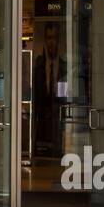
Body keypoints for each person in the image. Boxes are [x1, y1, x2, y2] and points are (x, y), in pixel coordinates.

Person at [33, 20, 67, 156]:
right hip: (41, 121)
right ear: (45, 40)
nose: (52, 42)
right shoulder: (38, 65)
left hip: (58, 119)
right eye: (49, 37)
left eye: (55, 37)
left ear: (59, 39)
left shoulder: (64, 66)